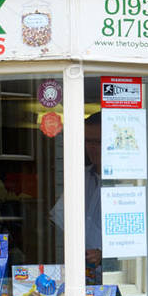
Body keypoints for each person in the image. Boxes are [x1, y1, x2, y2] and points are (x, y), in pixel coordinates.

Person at [50, 111, 103, 279]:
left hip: (113, 276)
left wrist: (105, 255)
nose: (92, 148)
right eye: (88, 141)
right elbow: (58, 220)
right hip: (79, 274)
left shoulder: (130, 182)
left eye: (98, 142)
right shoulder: (80, 177)